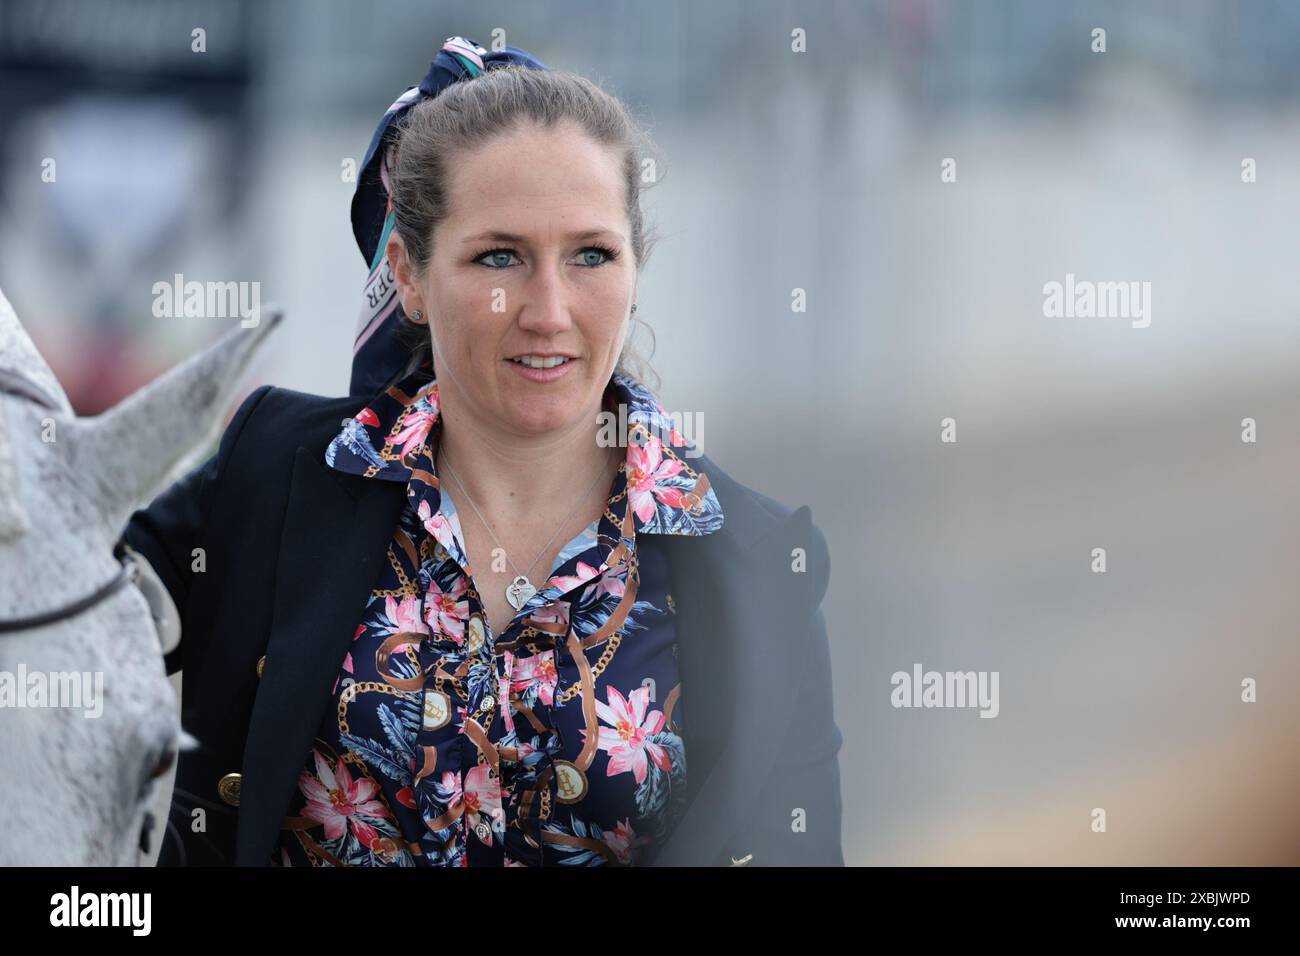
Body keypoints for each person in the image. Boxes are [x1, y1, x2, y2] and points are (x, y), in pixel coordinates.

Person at [125, 36, 843, 867]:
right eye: (499, 256)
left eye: (591, 255)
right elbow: (49, 628)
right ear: (409, 274)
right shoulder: (272, 478)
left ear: (635, 268)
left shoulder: (758, 563)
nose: (547, 310)